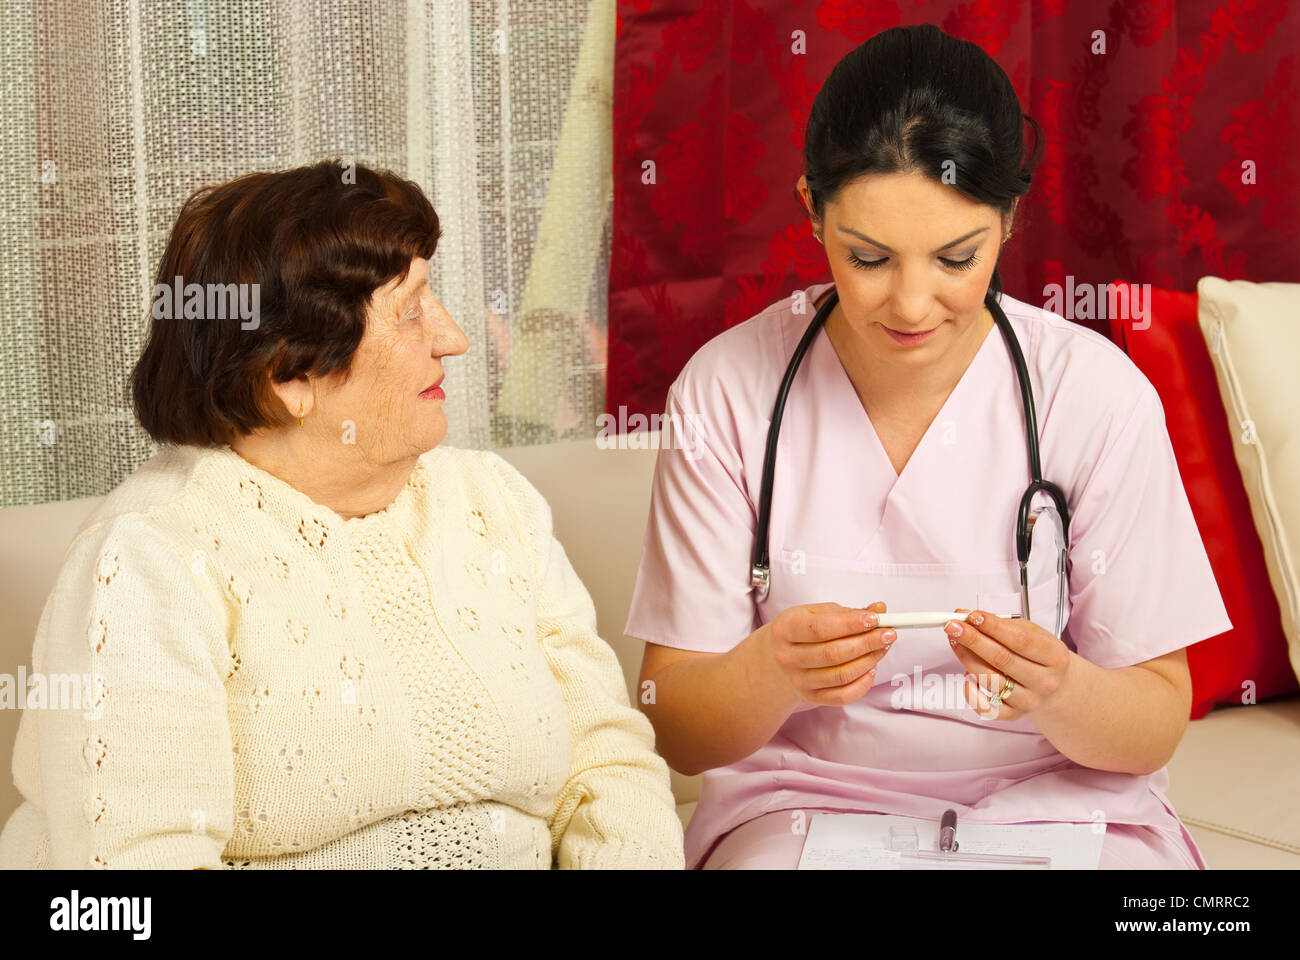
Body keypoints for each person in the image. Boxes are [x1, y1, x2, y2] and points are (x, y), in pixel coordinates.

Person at [623, 24, 1230, 870]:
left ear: (1010, 218)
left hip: (1065, 819)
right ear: (811, 208)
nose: (912, 304)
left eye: (955, 257)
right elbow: (674, 721)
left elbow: (1156, 718)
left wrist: (1061, 690)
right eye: (867, 257)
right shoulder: (726, 392)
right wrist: (770, 671)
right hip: (808, 813)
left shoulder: (1095, 394)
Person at [0, 160, 683, 869]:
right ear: (290, 374)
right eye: (412, 310)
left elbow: (607, 766)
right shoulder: (149, 557)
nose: (453, 338)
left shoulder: (493, 501)